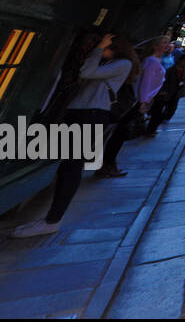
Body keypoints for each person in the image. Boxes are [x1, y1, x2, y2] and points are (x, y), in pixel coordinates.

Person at [13, 34, 139, 236]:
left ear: (114, 47)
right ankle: (51, 218)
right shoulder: (113, 63)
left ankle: (53, 219)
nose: (99, 49)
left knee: (72, 167)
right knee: (67, 166)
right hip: (84, 114)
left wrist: (98, 49)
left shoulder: (122, 63)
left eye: (105, 46)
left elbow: (86, 71)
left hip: (91, 115)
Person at [98, 36, 168, 176]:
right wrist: (143, 101)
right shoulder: (152, 61)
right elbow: (145, 83)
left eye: (167, 43)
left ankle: (109, 164)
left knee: (120, 133)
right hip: (136, 101)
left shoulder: (153, 61)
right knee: (120, 133)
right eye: (164, 43)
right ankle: (107, 165)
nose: (167, 45)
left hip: (137, 100)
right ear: (155, 46)